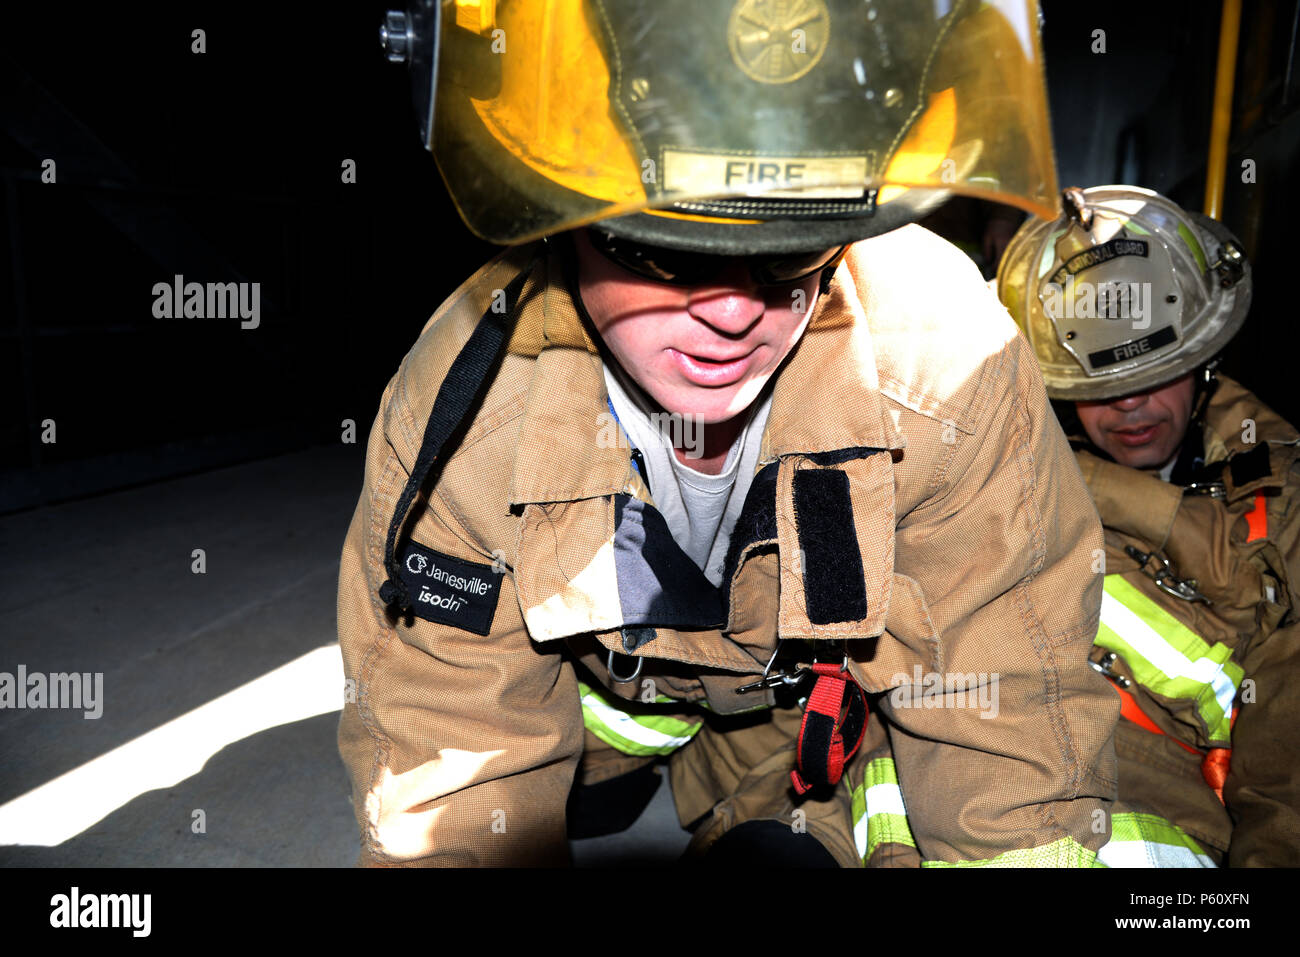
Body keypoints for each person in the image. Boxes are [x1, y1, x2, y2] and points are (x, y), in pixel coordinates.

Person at [337, 0, 1119, 866]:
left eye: (791, 249)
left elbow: (1005, 708)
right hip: (608, 697)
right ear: (563, 219)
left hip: (802, 714)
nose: (734, 310)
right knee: (560, 811)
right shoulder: (467, 414)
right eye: (666, 248)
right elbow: (450, 740)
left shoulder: (947, 369)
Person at [997, 184, 1300, 865]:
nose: (1130, 404)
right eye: (1098, 384)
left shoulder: (1284, 495)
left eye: (1157, 371)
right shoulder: (1009, 477)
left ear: (1205, 358)